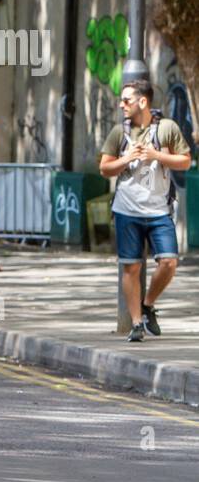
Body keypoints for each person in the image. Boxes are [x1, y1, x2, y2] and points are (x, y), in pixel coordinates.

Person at [98, 79, 191, 342]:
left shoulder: (167, 128)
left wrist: (156, 156)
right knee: (132, 268)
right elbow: (105, 167)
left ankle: (148, 304)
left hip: (159, 210)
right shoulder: (119, 132)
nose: (121, 104)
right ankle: (137, 323)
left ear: (143, 101)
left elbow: (185, 161)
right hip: (127, 209)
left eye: (126, 100)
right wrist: (127, 159)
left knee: (170, 262)